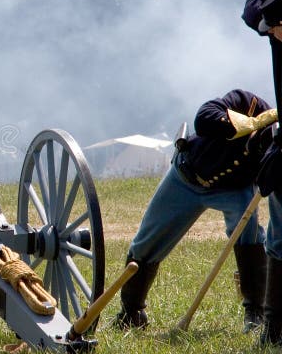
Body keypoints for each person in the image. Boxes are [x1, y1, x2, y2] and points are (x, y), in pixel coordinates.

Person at [114, 89, 277, 333]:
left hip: (234, 190)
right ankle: (131, 312)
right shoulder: (246, 102)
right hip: (186, 178)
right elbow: (203, 118)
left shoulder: (276, 144)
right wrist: (246, 125)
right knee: (147, 242)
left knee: (251, 237)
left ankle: (255, 312)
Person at [243, 0, 282, 345]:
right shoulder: (272, 27)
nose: (273, 34)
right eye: (271, 28)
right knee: (279, 239)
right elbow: (250, 10)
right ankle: (274, 330)